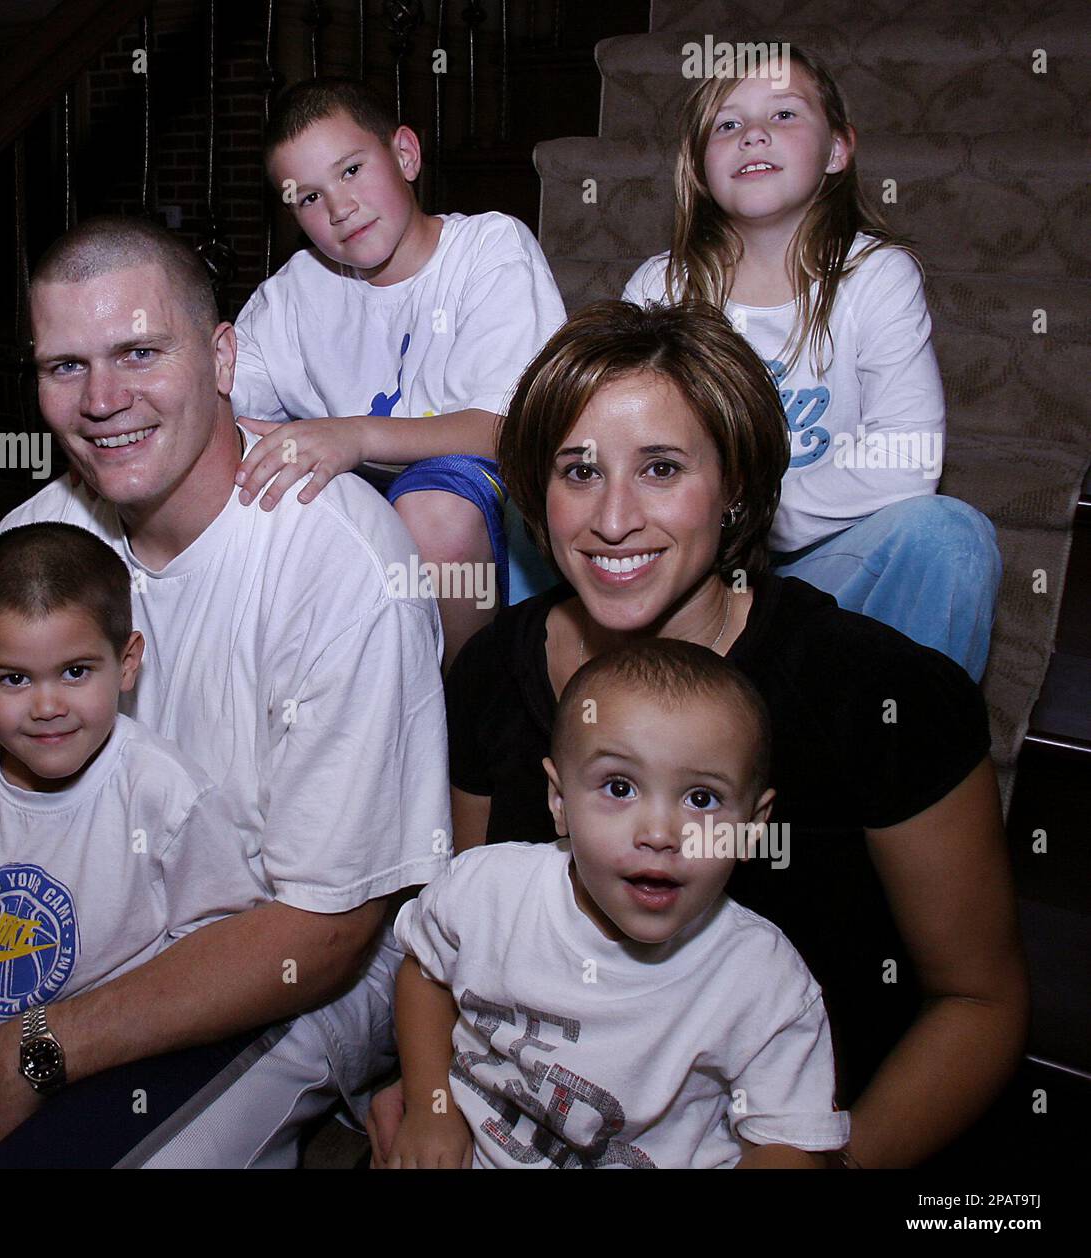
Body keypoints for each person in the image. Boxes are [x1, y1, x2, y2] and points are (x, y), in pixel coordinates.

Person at [0, 214, 450, 1169]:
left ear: (223, 356)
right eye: (65, 366)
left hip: (297, 964)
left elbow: (328, 929)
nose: (103, 400)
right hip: (71, 919)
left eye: (140, 351)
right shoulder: (36, 539)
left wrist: (39, 1054)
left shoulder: (340, 559)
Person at [367, 299, 1028, 1170]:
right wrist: (433, 1103)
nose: (612, 519)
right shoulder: (492, 675)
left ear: (739, 487)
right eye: (578, 472)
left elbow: (978, 1003)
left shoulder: (877, 695)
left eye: (663, 469)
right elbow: (464, 952)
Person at [0, 523, 268, 1168]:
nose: (47, 705)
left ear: (127, 662)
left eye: (76, 671)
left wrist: (95, 1040)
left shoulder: (166, 793)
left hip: (100, 1067)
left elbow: (219, 945)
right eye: (14, 679)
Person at [387, 638, 851, 1169]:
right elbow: (426, 975)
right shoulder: (487, 890)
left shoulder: (765, 981)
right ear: (559, 802)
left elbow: (787, 1142)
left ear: (751, 828)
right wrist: (431, 1109)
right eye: (620, 787)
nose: (658, 833)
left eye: (702, 799)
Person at [621, 46, 1000, 681]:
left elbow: (907, 456)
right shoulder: (662, 285)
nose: (755, 134)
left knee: (950, 536)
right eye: (727, 123)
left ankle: (912, 760)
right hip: (691, 573)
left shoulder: (877, 275)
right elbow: (617, 450)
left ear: (837, 152)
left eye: (786, 114)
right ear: (699, 164)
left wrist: (749, 520)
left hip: (827, 566)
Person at [228, 76, 566, 666]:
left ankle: (460, 715)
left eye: (351, 170)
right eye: (307, 197)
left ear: (405, 155)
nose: (339, 207)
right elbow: (223, 407)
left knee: (431, 506)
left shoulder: (489, 248)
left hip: (486, 526)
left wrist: (354, 436)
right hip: (358, 513)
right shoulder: (292, 294)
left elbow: (510, 427)